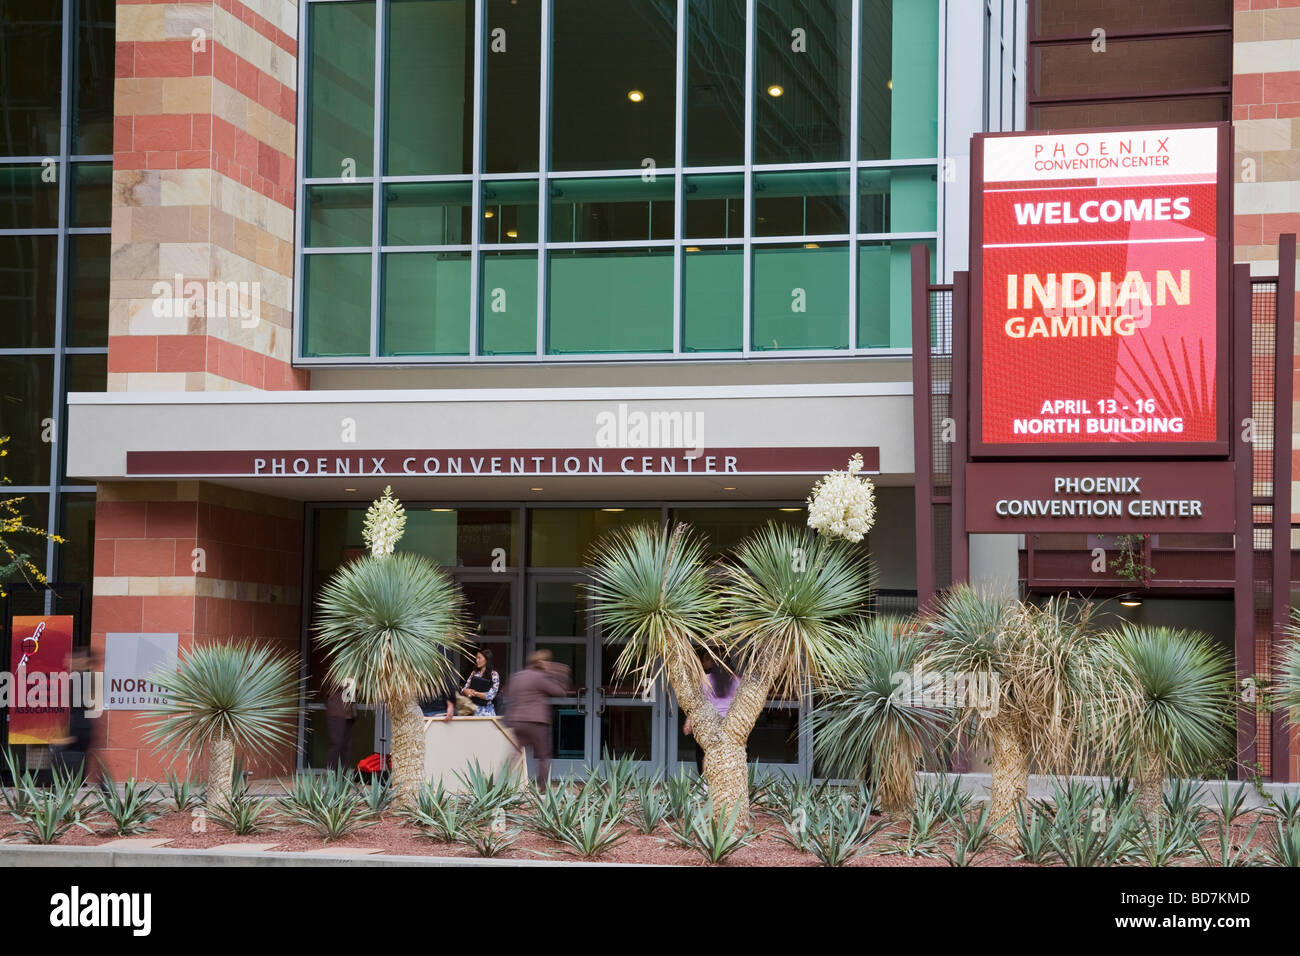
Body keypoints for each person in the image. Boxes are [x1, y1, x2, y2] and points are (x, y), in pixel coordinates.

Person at [504, 650, 572, 783]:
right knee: (544, 757)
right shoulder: (540, 676)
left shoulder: (517, 676)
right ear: (541, 662)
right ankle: (542, 791)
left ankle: (499, 785)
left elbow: (507, 693)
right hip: (536, 721)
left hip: (517, 720)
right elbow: (559, 692)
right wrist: (558, 673)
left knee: (514, 754)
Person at [682, 653, 739, 774]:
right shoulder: (737, 680)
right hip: (730, 723)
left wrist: (689, 721)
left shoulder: (705, 680)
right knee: (727, 755)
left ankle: (706, 784)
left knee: (706, 753)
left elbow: (697, 702)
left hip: (709, 722)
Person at [323, 683, 357, 771]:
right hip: (336, 714)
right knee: (336, 745)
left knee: (346, 747)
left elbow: (356, 688)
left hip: (348, 715)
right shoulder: (336, 675)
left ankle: (344, 777)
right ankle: (331, 776)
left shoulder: (352, 677)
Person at [461, 649, 500, 717]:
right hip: (472, 711)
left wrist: (474, 693)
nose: (477, 660)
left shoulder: (494, 674)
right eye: (476, 658)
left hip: (486, 713)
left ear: (486, 659)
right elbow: (464, 689)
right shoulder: (474, 673)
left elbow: (491, 695)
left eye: (479, 658)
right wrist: (465, 691)